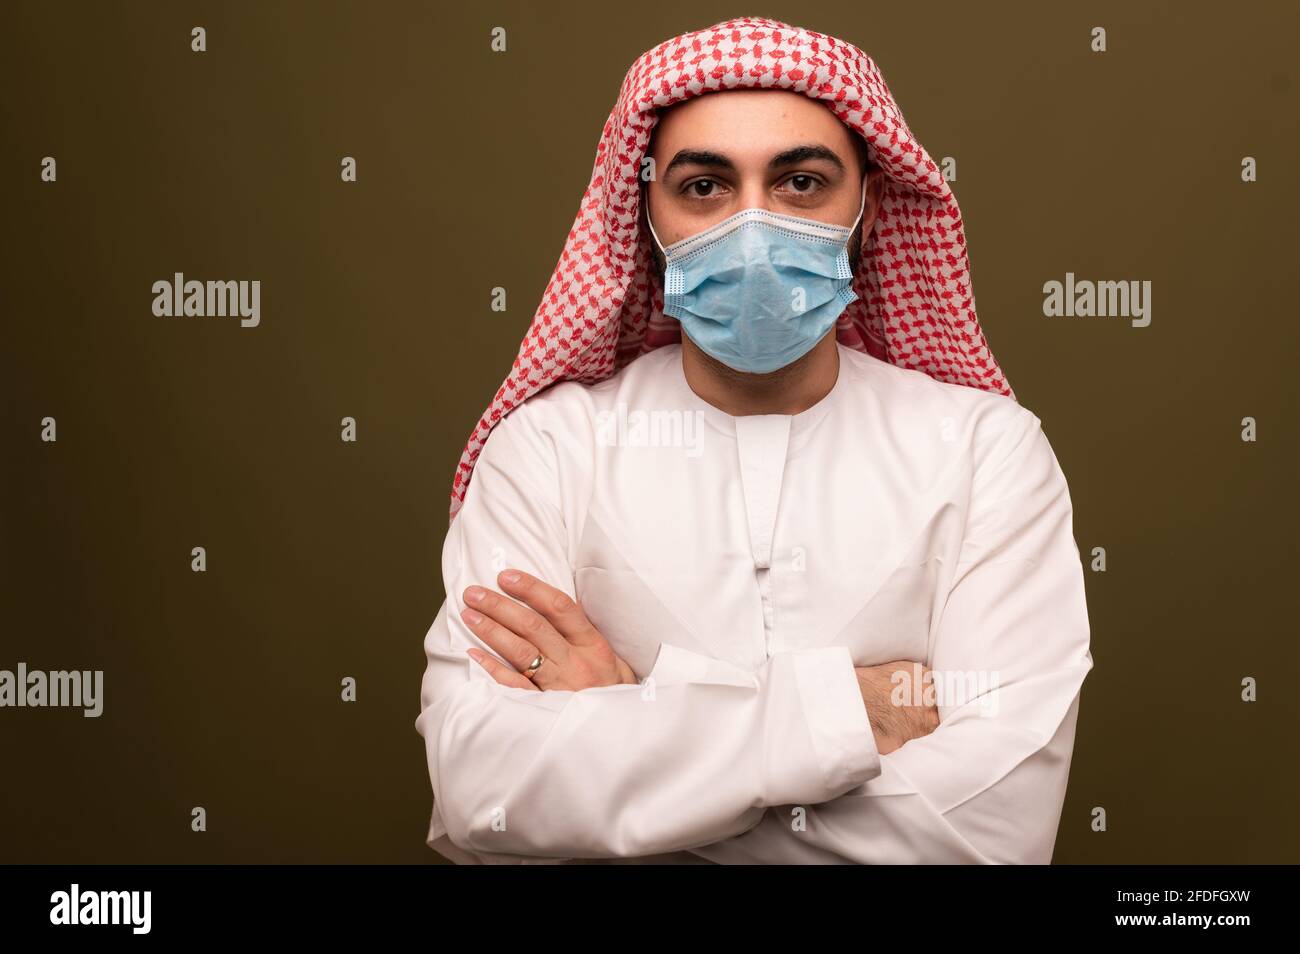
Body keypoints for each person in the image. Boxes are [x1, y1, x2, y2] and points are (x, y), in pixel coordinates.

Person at [414, 15, 1093, 864]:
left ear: (869, 209)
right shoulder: (547, 451)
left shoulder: (988, 453)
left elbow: (993, 834)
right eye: (705, 187)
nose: (755, 227)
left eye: (801, 182)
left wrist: (639, 713)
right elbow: (487, 789)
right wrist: (847, 714)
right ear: (647, 217)